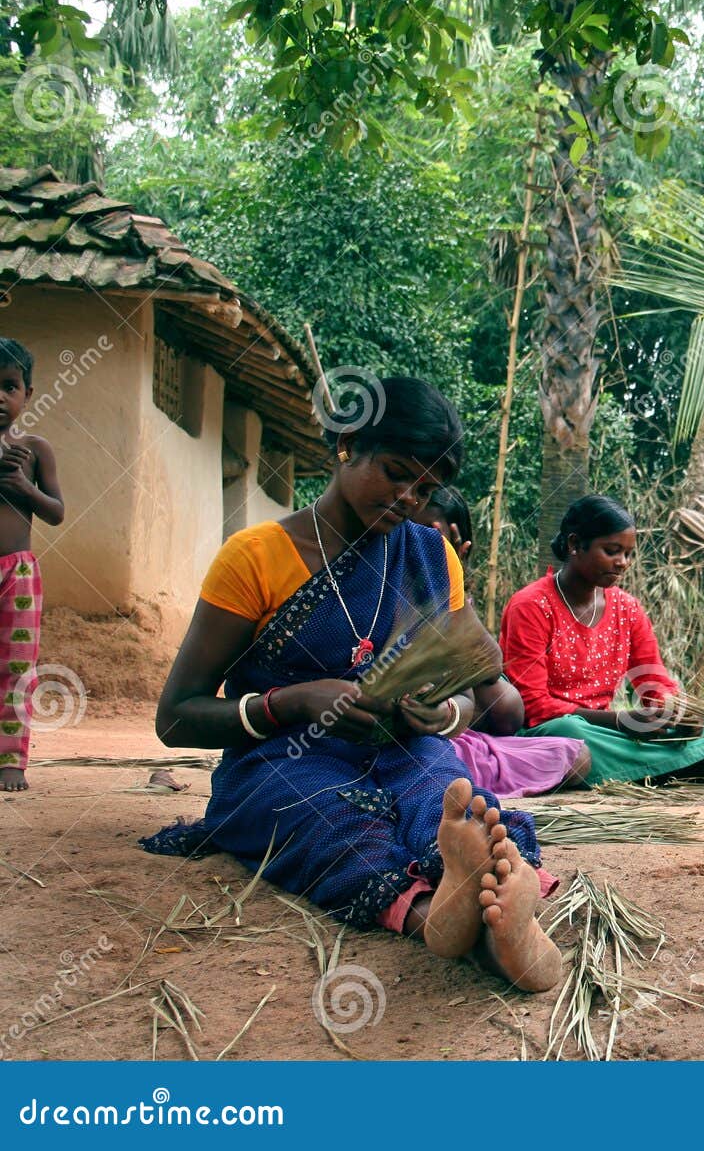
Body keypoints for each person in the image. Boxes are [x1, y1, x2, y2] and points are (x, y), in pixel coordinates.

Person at [143, 376, 560, 991]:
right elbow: (176, 717)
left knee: (442, 796)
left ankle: (488, 897)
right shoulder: (255, 556)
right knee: (330, 819)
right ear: (347, 445)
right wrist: (291, 702)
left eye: (426, 489)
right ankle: (440, 917)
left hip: (401, 746)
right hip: (281, 757)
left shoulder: (430, 556)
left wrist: (441, 714)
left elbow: (478, 687)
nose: (409, 498)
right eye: (395, 472)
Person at [498, 494, 704, 784]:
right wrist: (620, 721)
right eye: (612, 551)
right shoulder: (530, 605)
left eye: (628, 554)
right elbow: (533, 705)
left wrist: (672, 711)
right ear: (575, 544)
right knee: (571, 735)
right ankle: (673, 766)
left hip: (609, 732)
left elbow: (654, 681)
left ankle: (659, 765)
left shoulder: (627, 608)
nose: (623, 563)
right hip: (553, 731)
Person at [417, 487, 590, 796]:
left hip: (457, 732)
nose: (415, 548)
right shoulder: (374, 589)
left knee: (576, 754)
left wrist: (449, 587)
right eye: (408, 534)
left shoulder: (454, 599)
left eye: (432, 541)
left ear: (461, 549)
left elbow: (499, 706)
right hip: (417, 742)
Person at [0, 338, 66, 793]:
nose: (0, 397)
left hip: (17, 575)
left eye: (9, 386)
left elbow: (56, 511)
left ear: (27, 394)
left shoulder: (34, 449)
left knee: (16, 669)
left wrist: (22, 484)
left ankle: (10, 761)